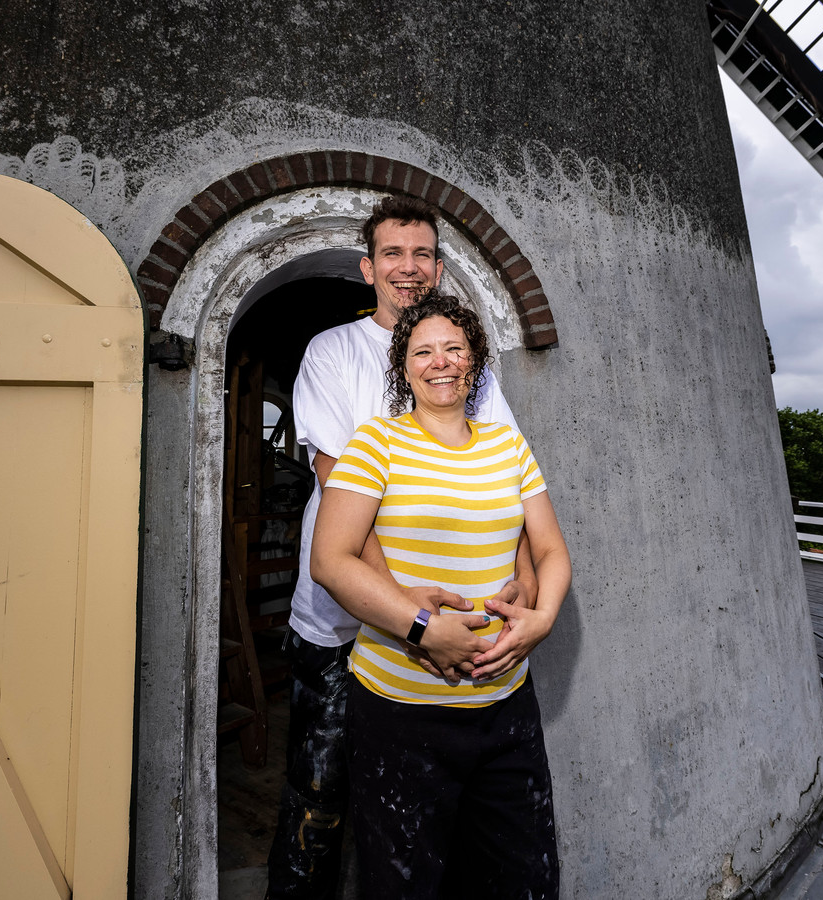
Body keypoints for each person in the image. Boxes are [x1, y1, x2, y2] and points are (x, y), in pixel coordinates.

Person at [266, 196, 536, 899]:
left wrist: (524, 587)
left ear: (439, 269)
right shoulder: (333, 352)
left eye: (422, 254)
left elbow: (510, 480)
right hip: (342, 625)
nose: (407, 267)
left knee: (420, 824)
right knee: (320, 799)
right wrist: (407, 615)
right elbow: (339, 492)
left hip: (456, 630)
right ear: (368, 268)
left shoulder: (464, 368)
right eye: (392, 253)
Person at [312, 293, 570, 899]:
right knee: (405, 887)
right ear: (403, 368)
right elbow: (330, 559)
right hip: (401, 711)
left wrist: (543, 618)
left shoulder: (509, 446)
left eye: (455, 348)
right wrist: (423, 629)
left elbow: (551, 549)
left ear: (475, 360)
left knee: (524, 882)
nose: (441, 362)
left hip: (506, 707)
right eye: (423, 351)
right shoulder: (376, 443)